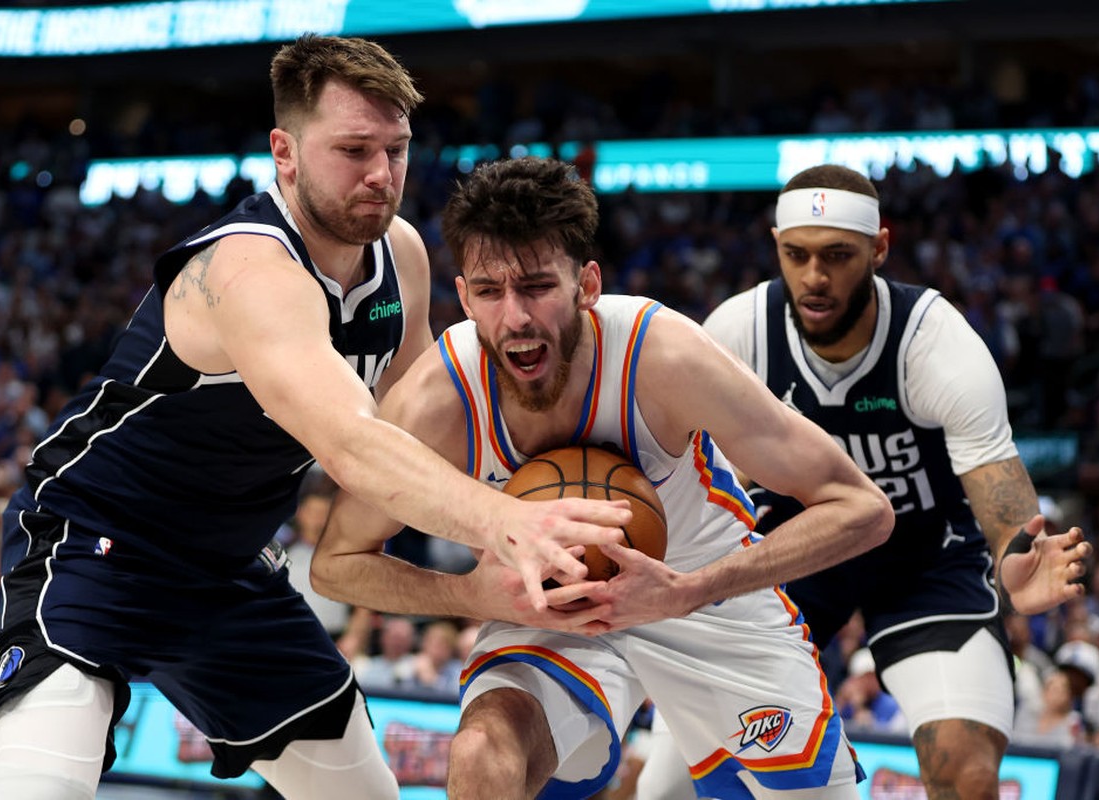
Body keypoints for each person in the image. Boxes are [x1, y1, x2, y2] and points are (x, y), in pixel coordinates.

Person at [0, 37, 632, 800]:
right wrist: (512, 524)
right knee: (40, 785)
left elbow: (428, 430)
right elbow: (356, 445)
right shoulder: (250, 271)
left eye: (396, 149)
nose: (381, 175)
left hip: (228, 565)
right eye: (354, 150)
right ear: (284, 152)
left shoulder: (402, 256)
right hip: (98, 545)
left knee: (364, 794)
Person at [312, 156, 895, 799]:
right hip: (547, 608)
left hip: (702, 589)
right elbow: (335, 563)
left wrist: (690, 589)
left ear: (587, 283)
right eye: (488, 291)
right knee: (482, 751)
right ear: (463, 294)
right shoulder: (438, 400)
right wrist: (474, 597)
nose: (515, 318)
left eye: (535, 286)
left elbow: (861, 508)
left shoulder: (663, 355)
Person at [663, 163, 1093, 799]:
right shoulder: (737, 331)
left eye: (838, 255)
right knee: (667, 789)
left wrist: (1014, 556)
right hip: (791, 554)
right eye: (796, 254)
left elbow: (998, 480)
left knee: (965, 772)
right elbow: (679, 463)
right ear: (774, 244)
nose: (815, 277)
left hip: (925, 561)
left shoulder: (934, 341)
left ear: (879, 249)